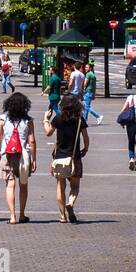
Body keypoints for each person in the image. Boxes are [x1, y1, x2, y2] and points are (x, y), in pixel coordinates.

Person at [43, 92, 89, 223]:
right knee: (75, 187)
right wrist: (85, 149)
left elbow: (48, 133)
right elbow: (86, 138)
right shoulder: (80, 119)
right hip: (75, 157)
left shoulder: (58, 118)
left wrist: (46, 119)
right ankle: (70, 202)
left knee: (60, 186)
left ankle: (62, 216)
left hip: (60, 157)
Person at [0, 91, 37, 224]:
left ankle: (12, 216)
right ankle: (22, 214)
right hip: (23, 155)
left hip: (7, 154)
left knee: (10, 185)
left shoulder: (3, 119)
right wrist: (34, 159)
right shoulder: (28, 120)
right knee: (23, 185)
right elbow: (32, 141)